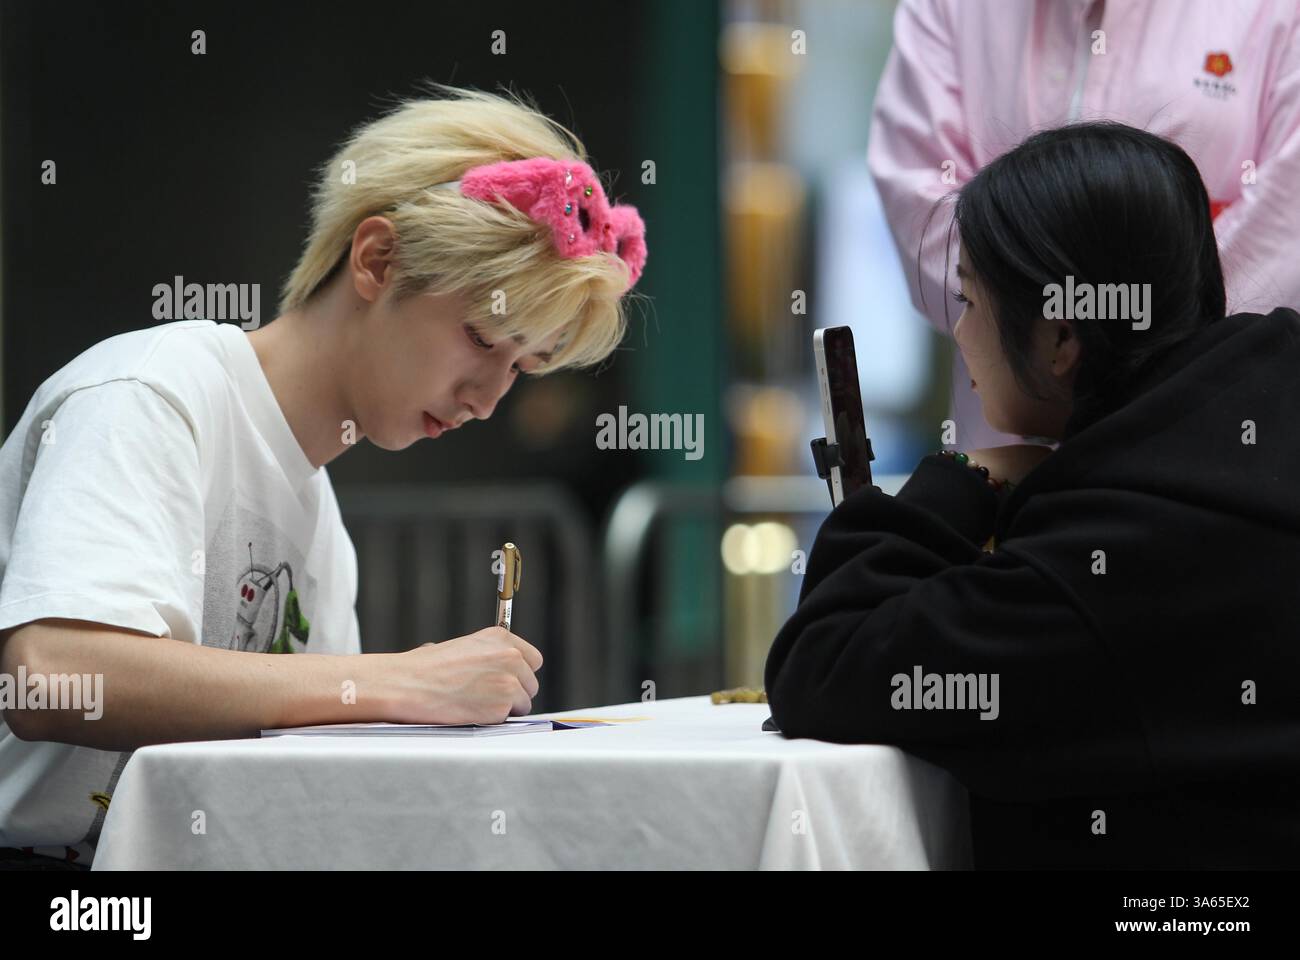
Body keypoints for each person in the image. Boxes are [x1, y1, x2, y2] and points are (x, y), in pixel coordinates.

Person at [0, 83, 647, 866]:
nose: (488, 399)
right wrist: (394, 684)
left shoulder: (318, 516)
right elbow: (54, 672)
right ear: (376, 259)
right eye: (481, 337)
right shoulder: (152, 391)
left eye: (521, 365)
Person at [766, 121, 1300, 869]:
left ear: (1060, 338)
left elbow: (827, 668)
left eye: (970, 301)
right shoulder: (1247, 431)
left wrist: (965, 477)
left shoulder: (1112, 554)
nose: (960, 330)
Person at [868, 0, 1300, 450]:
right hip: (1007, 458)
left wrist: (1072, 333)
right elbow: (924, 215)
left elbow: (1283, 242)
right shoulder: (949, 8)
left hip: (1209, 446)